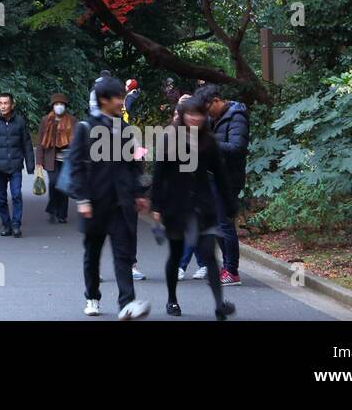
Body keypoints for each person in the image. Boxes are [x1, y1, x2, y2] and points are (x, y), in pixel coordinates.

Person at [69, 73, 151, 319]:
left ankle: (126, 303)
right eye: (118, 97)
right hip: (94, 204)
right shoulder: (85, 128)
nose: (121, 102)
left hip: (120, 203)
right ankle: (92, 297)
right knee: (92, 255)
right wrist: (82, 199)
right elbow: (76, 167)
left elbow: (137, 162)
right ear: (104, 99)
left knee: (123, 255)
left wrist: (139, 192)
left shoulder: (126, 129)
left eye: (122, 97)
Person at [151, 96, 237, 319]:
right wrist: (157, 205)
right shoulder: (170, 138)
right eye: (190, 114)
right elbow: (158, 174)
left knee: (209, 255)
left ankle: (219, 304)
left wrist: (229, 204)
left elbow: (220, 175)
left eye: (199, 114)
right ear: (182, 115)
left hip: (202, 206)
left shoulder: (209, 141)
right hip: (176, 207)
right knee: (176, 254)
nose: (194, 118)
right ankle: (172, 299)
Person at [196, 84, 249, 286]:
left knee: (225, 224)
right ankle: (227, 267)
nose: (206, 112)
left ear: (217, 100)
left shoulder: (237, 116)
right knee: (215, 224)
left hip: (229, 178)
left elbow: (237, 148)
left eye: (207, 107)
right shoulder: (213, 118)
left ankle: (231, 270)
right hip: (213, 175)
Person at [0, 91, 35, 237]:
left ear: (12, 105)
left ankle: (16, 225)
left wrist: (30, 164)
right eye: (1, 103)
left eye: (6, 103)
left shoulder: (20, 122)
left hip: (15, 166)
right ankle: (6, 225)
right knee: (1, 198)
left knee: (17, 194)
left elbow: (27, 144)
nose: (3, 106)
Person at [35, 93, 76, 224]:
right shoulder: (46, 120)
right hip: (50, 158)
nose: (59, 107)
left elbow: (78, 141)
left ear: (65, 106)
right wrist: (39, 162)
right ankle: (52, 210)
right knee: (53, 183)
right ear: (53, 106)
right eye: (56, 104)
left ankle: (62, 214)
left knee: (64, 186)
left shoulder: (73, 121)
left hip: (67, 159)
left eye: (61, 104)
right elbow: (40, 142)